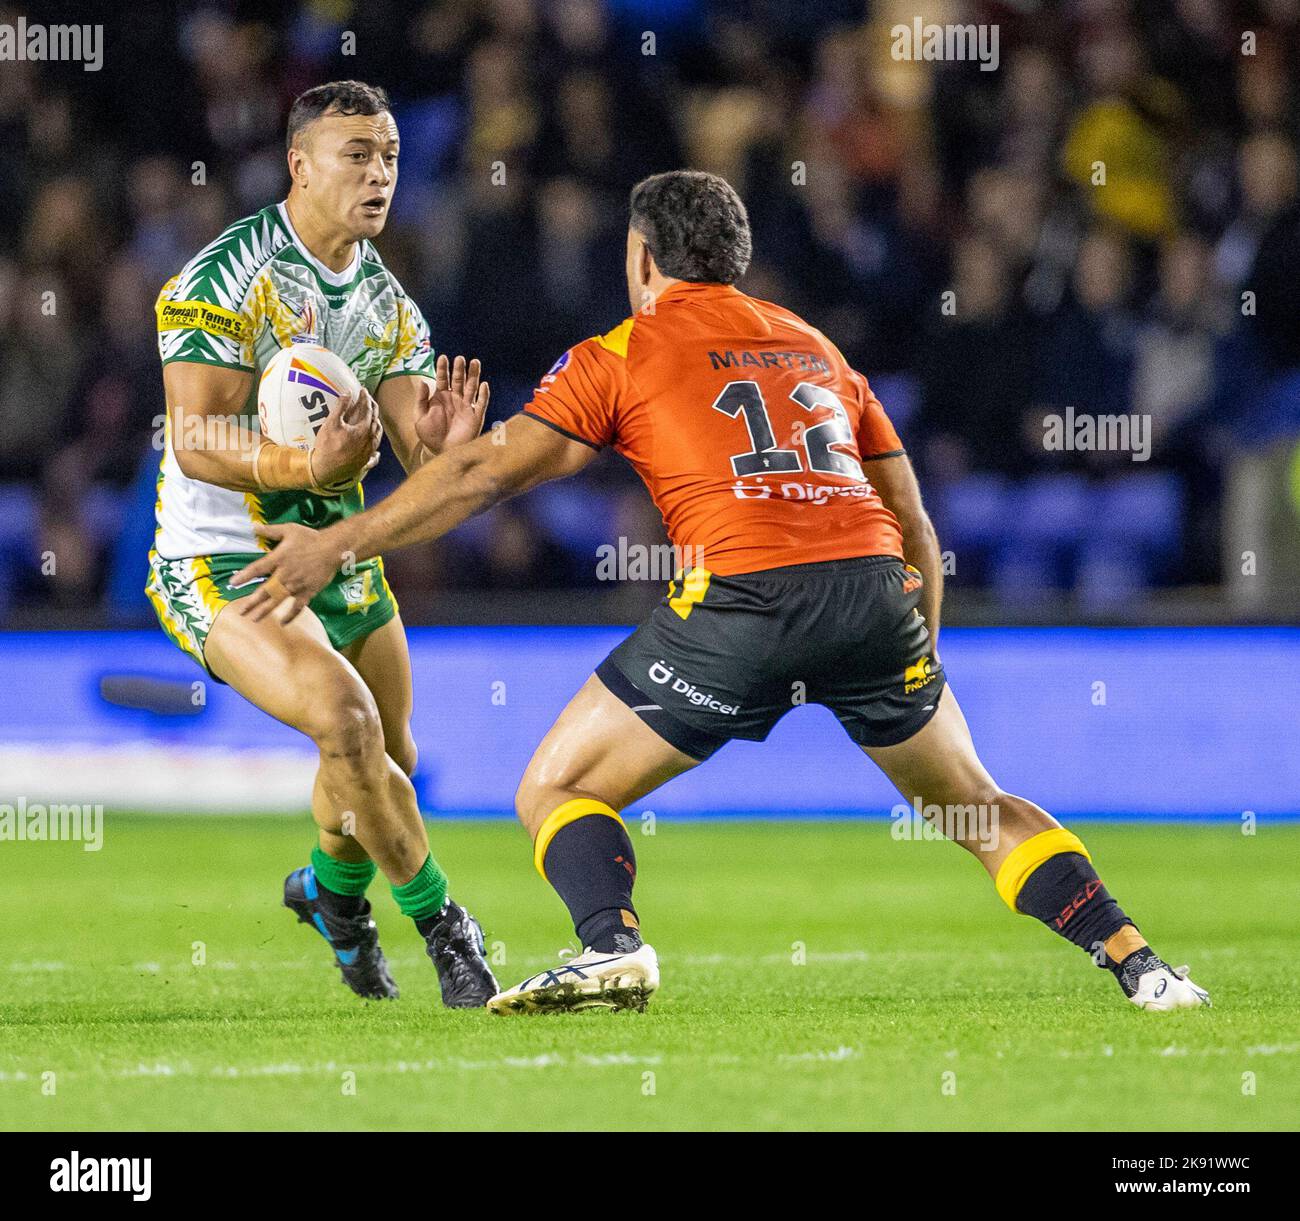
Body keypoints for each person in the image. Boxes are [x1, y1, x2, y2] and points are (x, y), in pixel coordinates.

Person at [232, 170, 1210, 1016]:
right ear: (733, 260)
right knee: (972, 807)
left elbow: (490, 474)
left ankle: (611, 945)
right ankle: (1142, 966)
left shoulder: (624, 349)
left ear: (642, 258)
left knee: (558, 786)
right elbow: (914, 525)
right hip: (877, 593)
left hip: (745, 595)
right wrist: (921, 660)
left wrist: (343, 541)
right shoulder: (813, 348)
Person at [149, 80, 497, 1008]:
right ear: (299, 166)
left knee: (391, 763)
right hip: (222, 560)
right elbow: (195, 439)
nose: (380, 173)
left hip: (334, 551)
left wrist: (442, 447)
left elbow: (417, 446)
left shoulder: (389, 308)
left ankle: (330, 896)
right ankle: (447, 931)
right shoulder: (225, 276)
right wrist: (308, 468)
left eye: (389, 156)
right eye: (357, 155)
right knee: (348, 728)